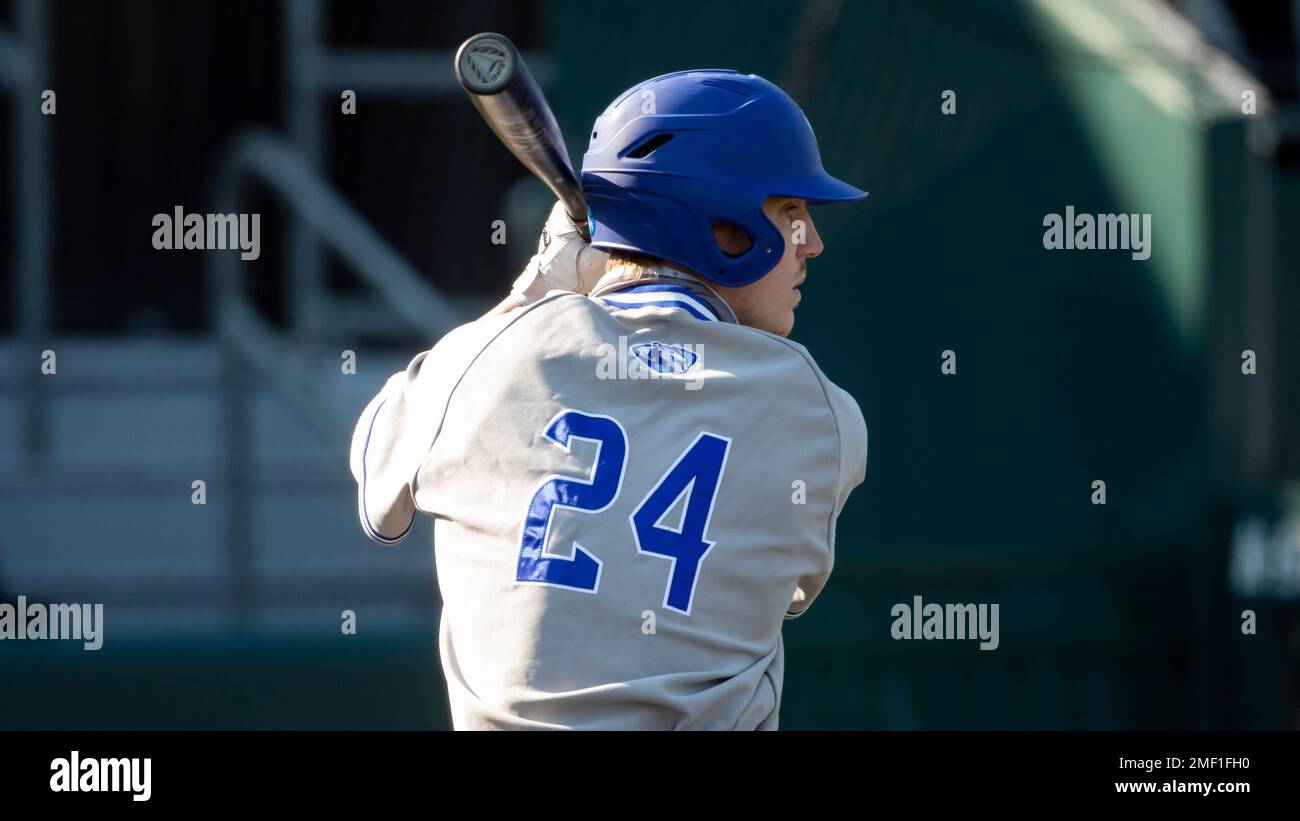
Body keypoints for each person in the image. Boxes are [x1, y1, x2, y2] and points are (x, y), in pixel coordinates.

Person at [350, 70, 869, 729]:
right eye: (792, 216)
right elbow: (782, 595)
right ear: (724, 227)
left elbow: (378, 498)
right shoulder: (822, 415)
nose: (812, 245)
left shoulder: (485, 359)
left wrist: (538, 286)